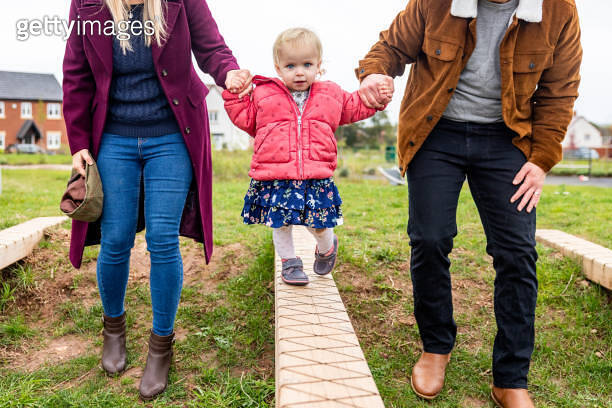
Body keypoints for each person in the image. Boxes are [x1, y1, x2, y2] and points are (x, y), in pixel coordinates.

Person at [356, 0, 582, 406]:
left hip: (507, 137)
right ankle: (435, 347)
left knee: (516, 252)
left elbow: (559, 92)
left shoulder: (559, 11)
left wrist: (541, 159)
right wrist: (374, 73)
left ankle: (511, 378)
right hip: (435, 130)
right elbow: (391, 47)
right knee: (430, 238)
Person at [62, 0, 251, 400]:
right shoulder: (87, 6)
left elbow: (211, 47)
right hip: (113, 136)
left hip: (171, 133)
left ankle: (160, 345)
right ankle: (113, 329)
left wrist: (229, 71)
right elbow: (76, 75)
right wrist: (78, 141)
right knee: (115, 240)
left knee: (163, 240)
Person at [223, 28, 389, 286]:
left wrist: (377, 96)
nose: (299, 72)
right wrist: (234, 95)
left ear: (319, 66)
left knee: (319, 224)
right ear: (278, 68)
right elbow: (244, 118)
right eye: (291, 66)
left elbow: (355, 106)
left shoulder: (331, 94)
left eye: (307, 64)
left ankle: (326, 247)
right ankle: (289, 263)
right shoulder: (264, 94)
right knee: (280, 223)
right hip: (276, 174)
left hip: (316, 174)